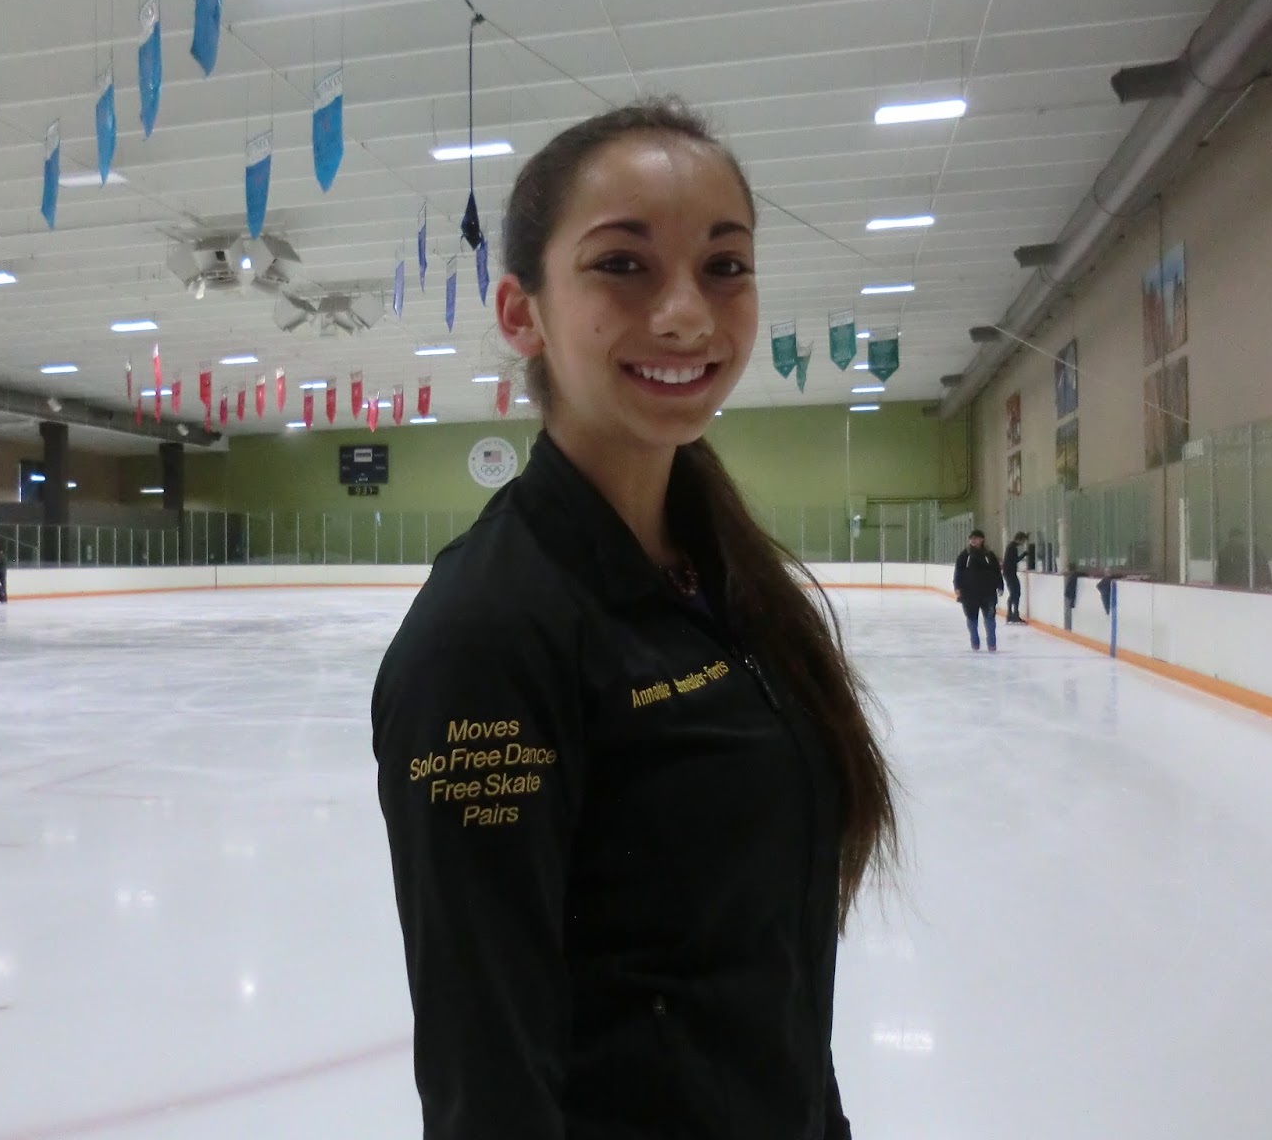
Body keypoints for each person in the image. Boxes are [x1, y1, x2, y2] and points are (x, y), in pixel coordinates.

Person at [373, 99, 898, 1140]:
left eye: (724, 265)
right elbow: (488, 1075)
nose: (687, 316)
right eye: (622, 266)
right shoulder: (486, 639)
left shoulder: (724, 575)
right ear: (522, 313)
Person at [954, 529, 1004, 652]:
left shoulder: (989, 555)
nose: (973, 540)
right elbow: (958, 572)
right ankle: (975, 642)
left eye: (975, 538)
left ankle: (991, 644)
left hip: (988, 593)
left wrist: (1000, 585)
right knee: (971, 619)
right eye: (971, 538)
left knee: (990, 619)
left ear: (982, 540)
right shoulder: (964, 555)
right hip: (969, 594)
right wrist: (957, 587)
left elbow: (997, 571)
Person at [1002, 531, 1031, 624]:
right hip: (1010, 573)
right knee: (1015, 593)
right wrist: (1024, 554)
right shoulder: (1012, 547)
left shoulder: (1011, 546)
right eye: (1023, 541)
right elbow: (1014, 560)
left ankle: (1012, 614)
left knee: (1015, 593)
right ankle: (1012, 615)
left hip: (1009, 572)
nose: (1023, 543)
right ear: (1020, 539)